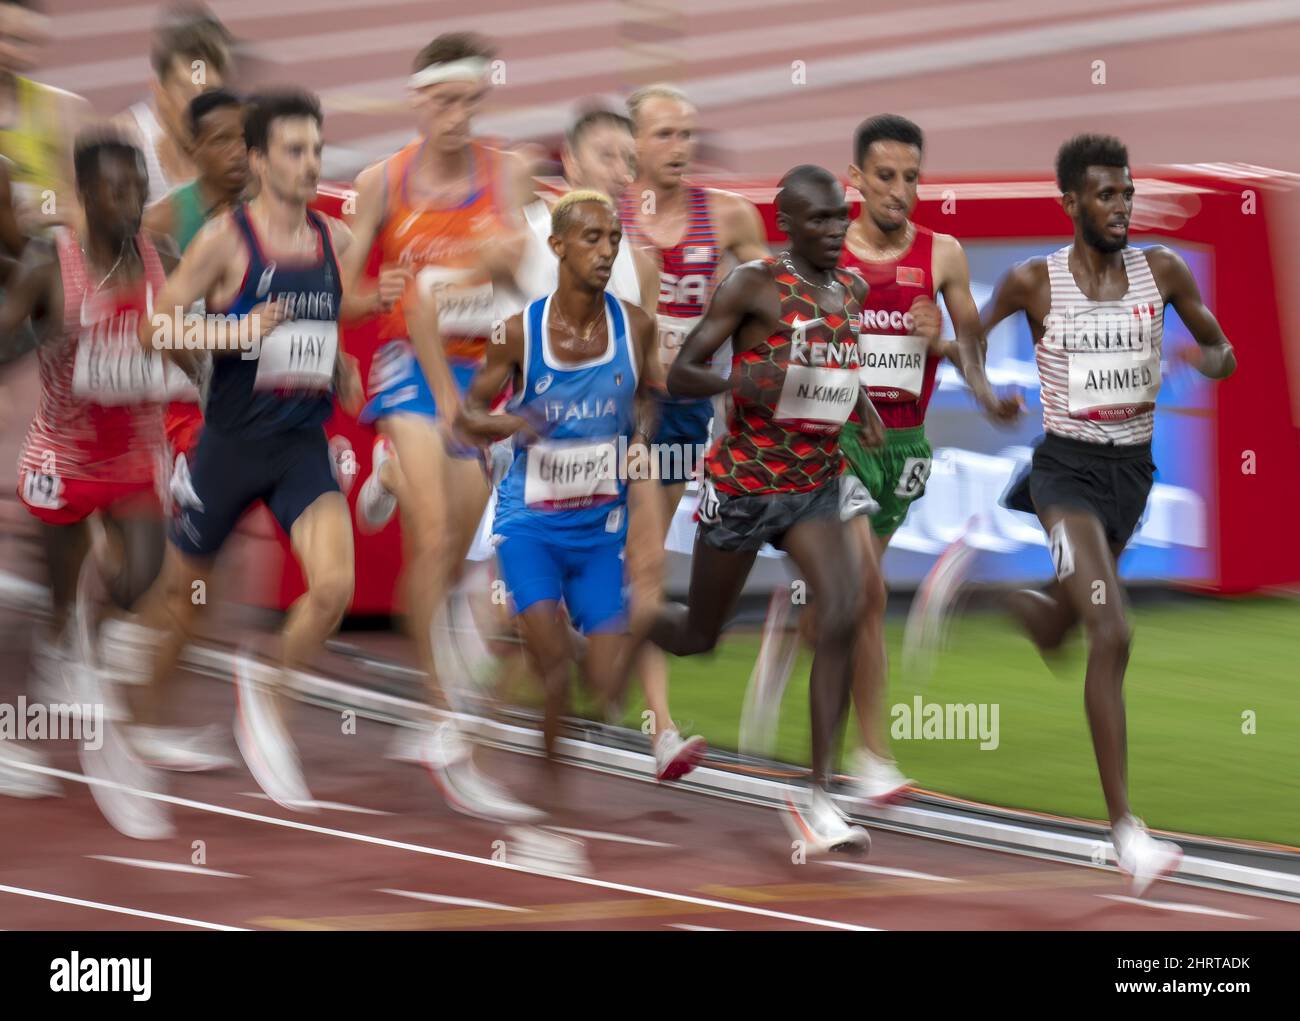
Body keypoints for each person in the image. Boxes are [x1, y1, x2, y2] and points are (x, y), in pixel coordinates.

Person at [967, 133, 1237, 894]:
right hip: (1064, 476)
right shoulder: (1032, 282)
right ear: (1071, 203)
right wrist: (990, 397)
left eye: (1127, 193)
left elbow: (1227, 354)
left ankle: (996, 598)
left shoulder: (1165, 271)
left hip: (1131, 478)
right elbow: (969, 339)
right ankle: (1124, 830)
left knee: (1063, 626)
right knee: (1111, 626)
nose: (1122, 207)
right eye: (1106, 195)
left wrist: (1196, 358)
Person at [742, 115, 1020, 804]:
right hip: (832, 442)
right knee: (866, 594)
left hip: (903, 447)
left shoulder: (944, 254)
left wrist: (977, 384)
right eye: (887, 177)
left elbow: (971, 349)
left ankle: (792, 624)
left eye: (913, 178)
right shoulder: (828, 256)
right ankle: (871, 755)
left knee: (844, 603)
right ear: (856, 180)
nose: (901, 191)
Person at [641, 165, 887, 855]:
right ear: (789, 224)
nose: (837, 230)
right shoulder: (752, 284)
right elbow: (683, 371)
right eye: (821, 220)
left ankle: (817, 797)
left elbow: (834, 363)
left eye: (842, 216)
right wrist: (740, 377)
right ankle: (625, 625)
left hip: (815, 481)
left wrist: (861, 406)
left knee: (843, 607)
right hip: (746, 486)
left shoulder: (849, 288)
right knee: (699, 634)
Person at [135, 90, 363, 811]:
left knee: (333, 588)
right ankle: (135, 725)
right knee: (184, 601)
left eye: (317, 151)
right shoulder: (227, 242)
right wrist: (235, 333)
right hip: (229, 447)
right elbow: (156, 330)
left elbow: (326, 328)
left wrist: (341, 369)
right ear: (260, 161)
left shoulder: (338, 242)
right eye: (294, 151)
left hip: (299, 445)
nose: (310, 164)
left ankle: (267, 693)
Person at [340, 32, 540, 821]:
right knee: (430, 536)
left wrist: (502, 259)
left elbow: (528, 267)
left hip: (478, 368)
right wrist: (377, 288)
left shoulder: (508, 171)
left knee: (454, 540)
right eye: (444, 102)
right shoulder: (381, 183)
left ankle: (388, 472)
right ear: (418, 101)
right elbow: (346, 294)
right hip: (408, 367)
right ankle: (438, 709)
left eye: (470, 101)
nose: (458, 116)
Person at [501, 107, 704, 781]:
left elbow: (648, 379)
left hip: (615, 457)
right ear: (574, 162)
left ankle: (660, 727)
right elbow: (455, 308)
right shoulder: (529, 239)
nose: (627, 170)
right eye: (612, 157)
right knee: (520, 621)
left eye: (629, 158)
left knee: (649, 578)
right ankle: (473, 705)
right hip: (531, 464)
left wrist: (645, 432)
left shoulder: (637, 263)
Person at [457, 190, 661, 809]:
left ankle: (587, 644)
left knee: (604, 693)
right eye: (592, 239)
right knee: (551, 673)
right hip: (530, 528)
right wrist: (515, 424)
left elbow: (648, 396)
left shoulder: (638, 325)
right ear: (558, 247)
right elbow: (466, 419)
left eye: (614, 240)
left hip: (599, 535)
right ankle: (550, 809)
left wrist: (640, 442)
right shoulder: (519, 333)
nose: (606, 252)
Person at [0, 132, 179, 805]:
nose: (131, 200)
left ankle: (81, 645)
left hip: (133, 456)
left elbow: (202, 326)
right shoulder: (54, 263)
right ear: (84, 194)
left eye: (139, 186)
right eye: (115, 189)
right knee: (54, 597)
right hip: (62, 459)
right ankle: (18, 721)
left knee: (140, 577)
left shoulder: (164, 258)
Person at [616, 83, 768, 766]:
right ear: (634, 146)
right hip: (612, 406)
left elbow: (768, 308)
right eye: (664, 135)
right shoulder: (608, 217)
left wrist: (744, 387)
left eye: (687, 136)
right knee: (628, 559)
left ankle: (643, 711)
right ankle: (652, 721)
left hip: (681, 413)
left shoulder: (728, 218)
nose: (680, 148)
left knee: (642, 563)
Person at [115, 5, 233, 204]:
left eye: (210, 95)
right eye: (188, 94)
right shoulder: (124, 146)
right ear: (159, 91)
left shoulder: (238, 147)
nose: (199, 110)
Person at [0, 0, 91, 233]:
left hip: (42, 248)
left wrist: (46, 211)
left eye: (20, 41)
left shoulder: (64, 108)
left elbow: (76, 195)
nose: (8, 50)